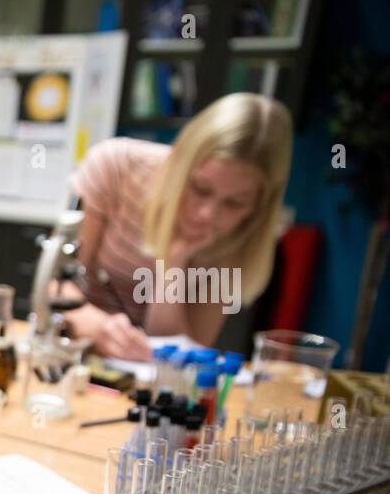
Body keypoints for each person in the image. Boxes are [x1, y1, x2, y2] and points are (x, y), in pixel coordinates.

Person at [63, 93, 293, 359]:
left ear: (258, 208)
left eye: (234, 203)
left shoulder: (239, 236)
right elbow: (56, 287)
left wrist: (174, 263)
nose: (208, 214)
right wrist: (100, 328)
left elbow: (182, 352)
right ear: (180, 160)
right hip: (73, 358)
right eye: (200, 188)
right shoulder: (116, 167)